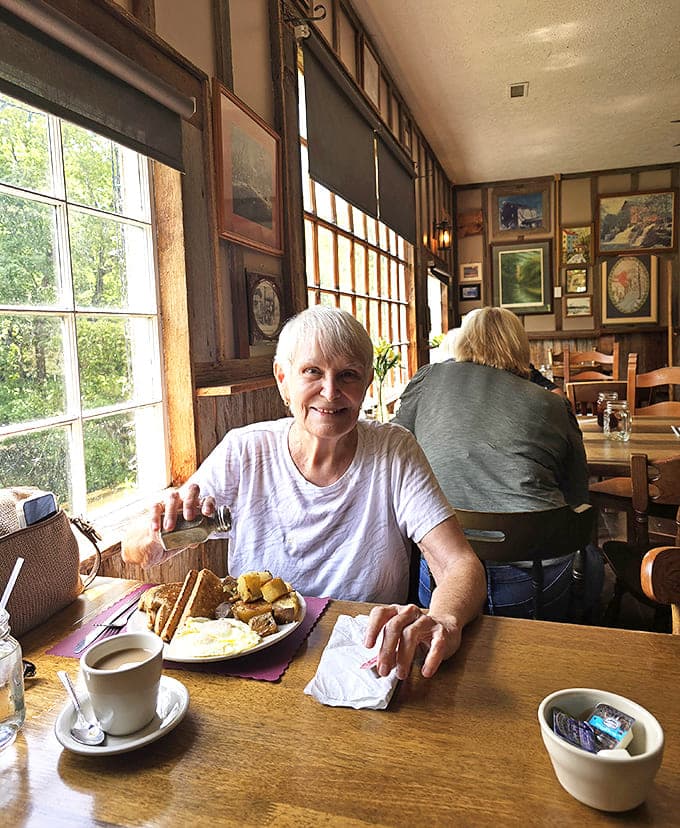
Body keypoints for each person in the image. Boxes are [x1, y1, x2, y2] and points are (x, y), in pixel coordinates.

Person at [123, 306, 486, 679]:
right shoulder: (245, 451)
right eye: (312, 372)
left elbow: (459, 564)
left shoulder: (394, 450)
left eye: (348, 375)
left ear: (366, 384)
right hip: (250, 655)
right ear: (283, 379)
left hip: (362, 658)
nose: (331, 392)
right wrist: (158, 527)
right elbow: (135, 550)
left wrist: (444, 619)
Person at [393, 306, 603, 622]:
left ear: (463, 342)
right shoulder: (553, 404)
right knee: (594, 564)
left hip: (442, 577)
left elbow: (396, 450)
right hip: (534, 584)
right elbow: (577, 495)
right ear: (520, 347)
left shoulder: (428, 380)